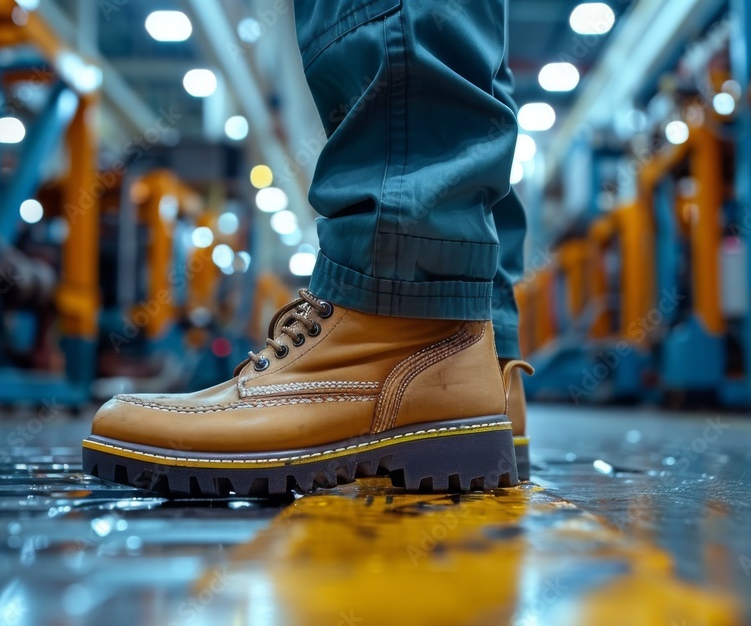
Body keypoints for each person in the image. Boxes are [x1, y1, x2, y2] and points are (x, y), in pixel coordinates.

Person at [82, 0, 532, 496]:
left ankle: (399, 311)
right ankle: (471, 370)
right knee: (474, 44)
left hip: (403, 309)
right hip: (455, 343)